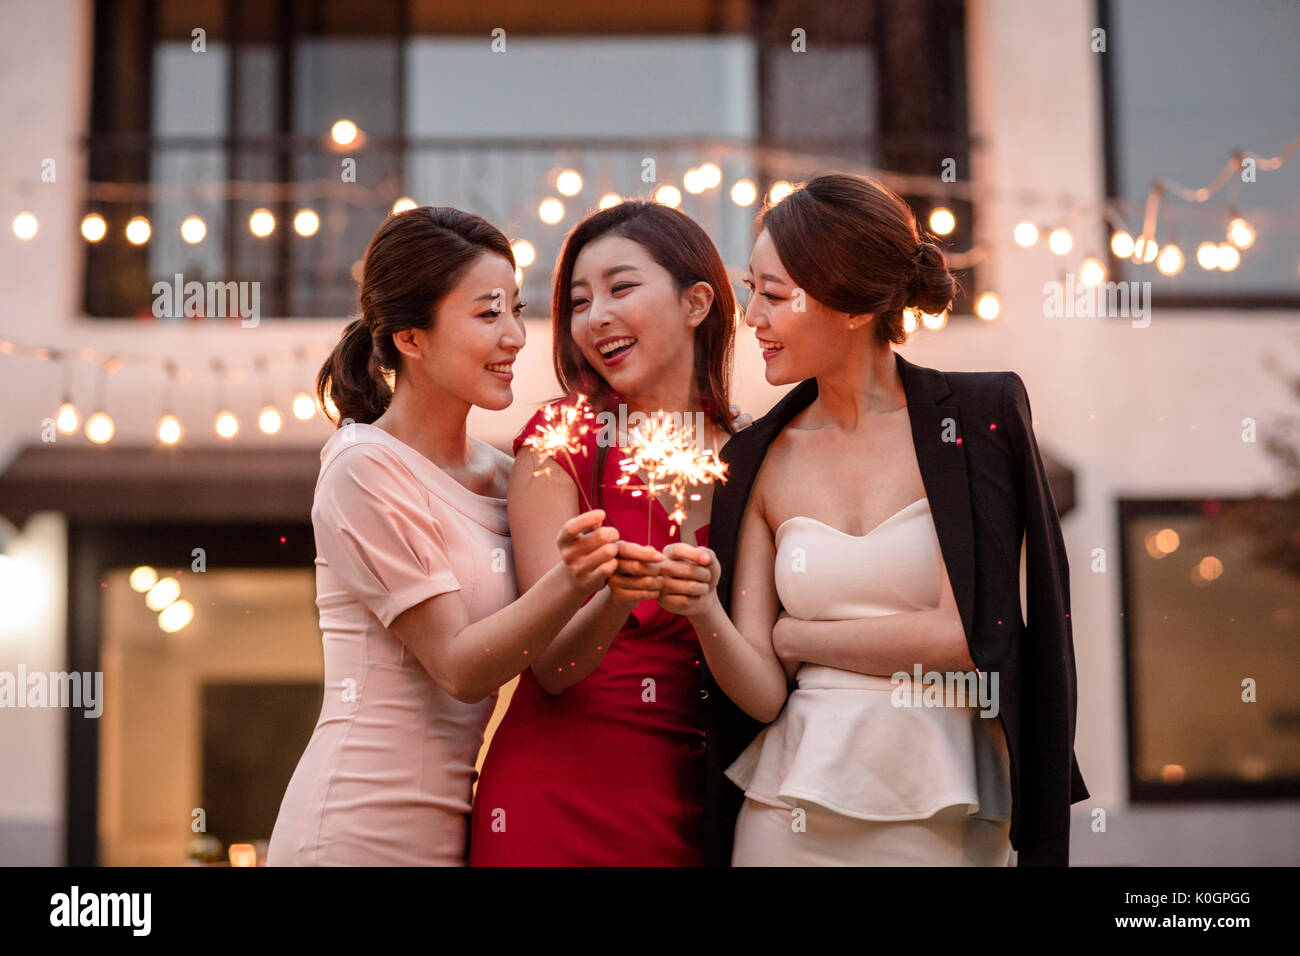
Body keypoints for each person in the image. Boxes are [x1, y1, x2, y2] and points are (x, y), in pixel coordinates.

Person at [659, 173, 1089, 866]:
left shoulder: (978, 421)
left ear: (851, 304)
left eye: (771, 294)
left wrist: (797, 632)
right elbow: (765, 691)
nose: (750, 318)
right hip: (786, 806)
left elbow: (966, 638)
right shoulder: (757, 457)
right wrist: (706, 608)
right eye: (751, 292)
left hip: (940, 798)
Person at [268, 206, 629, 866]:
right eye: (488, 314)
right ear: (412, 338)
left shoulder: (505, 473)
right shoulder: (363, 468)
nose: (516, 336)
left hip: (455, 829)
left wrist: (618, 593)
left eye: (517, 310)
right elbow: (460, 667)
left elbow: (550, 662)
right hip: (353, 830)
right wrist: (571, 579)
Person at [468, 200, 744, 865]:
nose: (595, 318)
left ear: (697, 301)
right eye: (579, 301)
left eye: (620, 288)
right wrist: (614, 596)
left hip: (696, 800)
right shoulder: (561, 441)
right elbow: (553, 666)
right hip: (553, 798)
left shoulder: (753, 454)